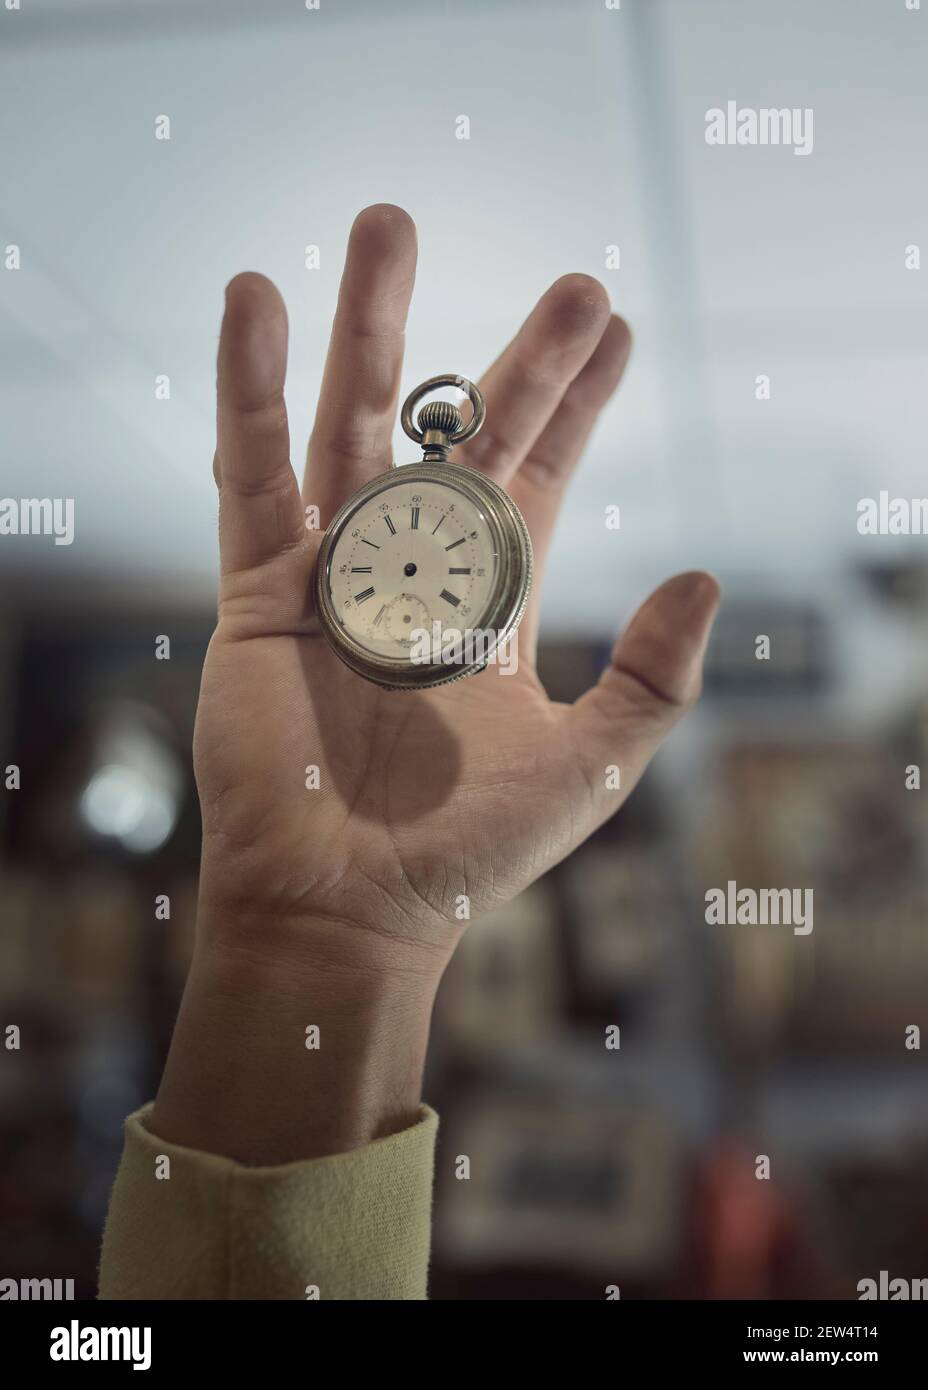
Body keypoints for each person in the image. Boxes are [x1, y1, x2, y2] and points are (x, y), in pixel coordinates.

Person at [98, 204, 720, 1300]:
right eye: (394, 562)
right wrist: (322, 940)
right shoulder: (376, 551)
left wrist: (331, 940)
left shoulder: (450, 547)